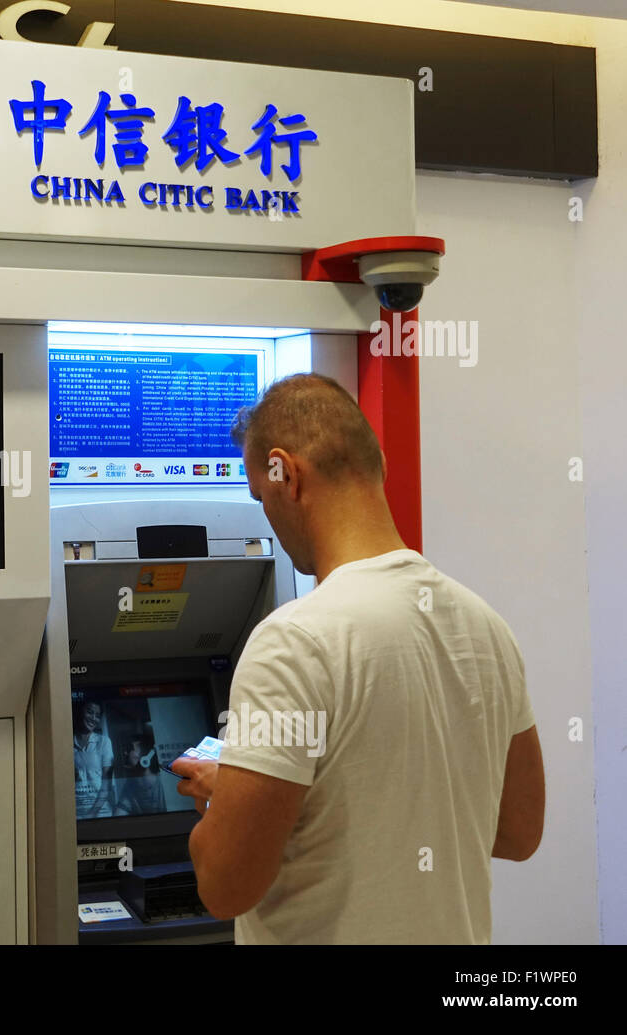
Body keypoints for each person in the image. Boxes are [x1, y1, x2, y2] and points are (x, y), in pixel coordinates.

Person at [172, 373, 543, 944]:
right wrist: (276, 796)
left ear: (285, 474)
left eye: (259, 495)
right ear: (379, 468)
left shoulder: (293, 643)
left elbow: (224, 888)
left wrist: (228, 803)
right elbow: (519, 832)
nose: (265, 515)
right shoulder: (484, 626)